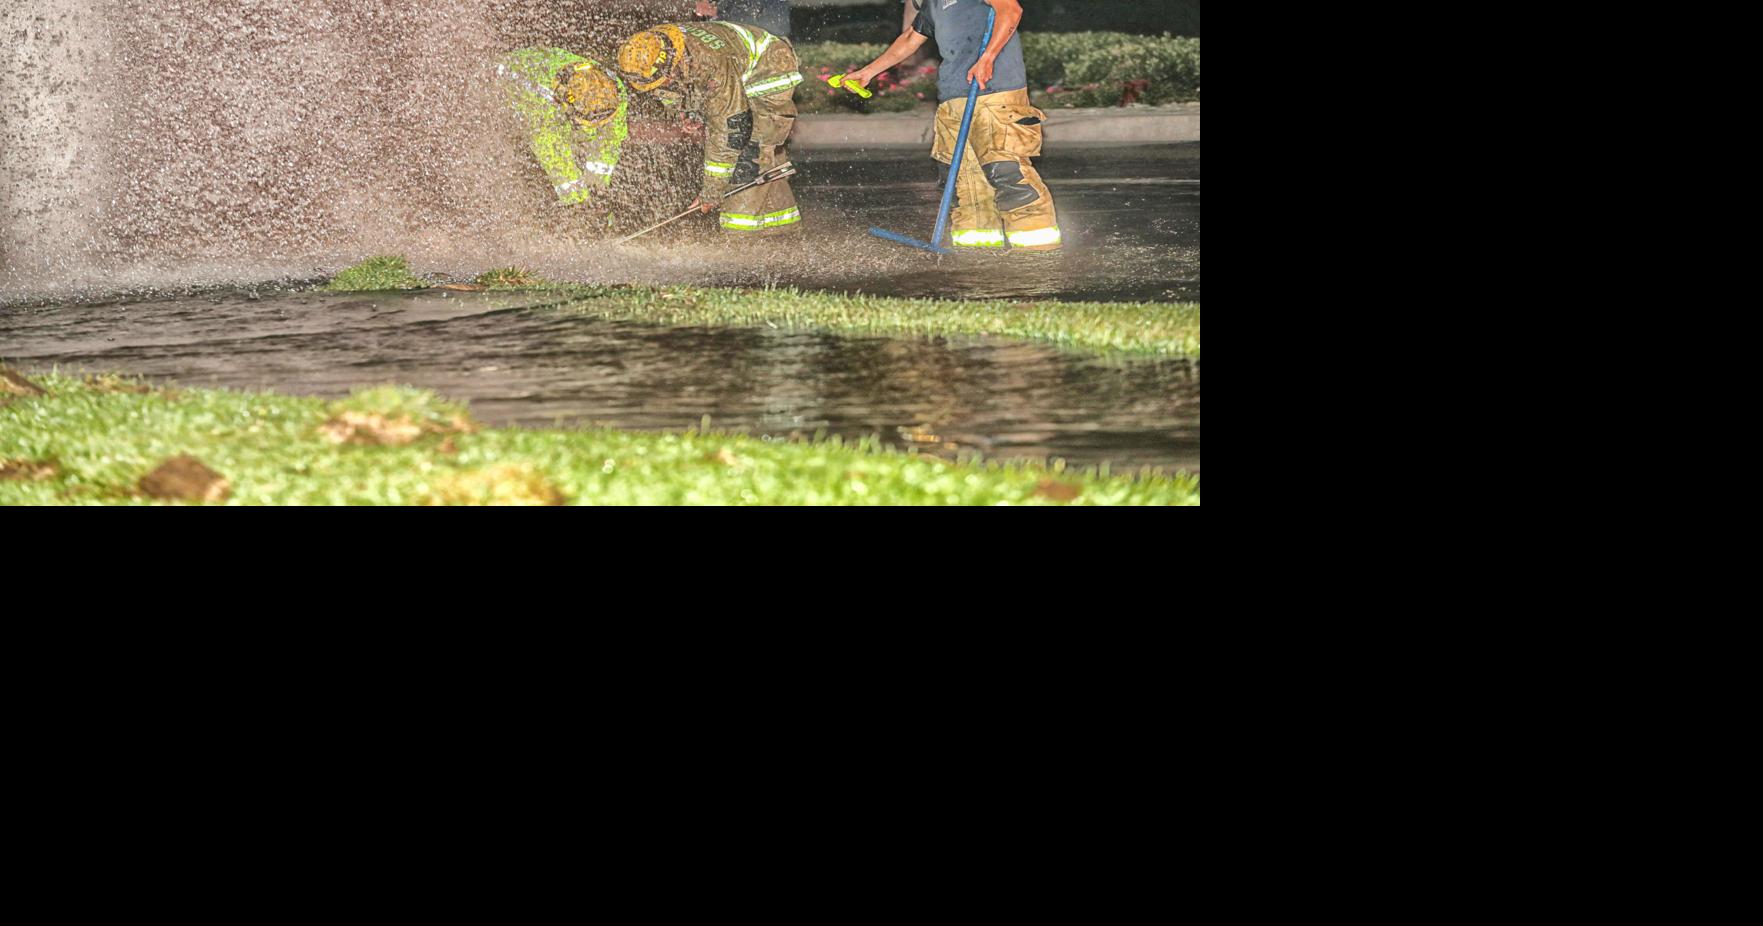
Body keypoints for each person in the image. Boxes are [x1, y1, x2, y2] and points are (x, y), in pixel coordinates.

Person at [845, 0, 1061, 251]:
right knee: (964, 186)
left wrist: (988, 57)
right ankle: (977, 260)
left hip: (995, 93)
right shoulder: (933, 4)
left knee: (1007, 174)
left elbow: (1011, 10)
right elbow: (909, 39)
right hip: (953, 100)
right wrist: (868, 72)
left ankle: (1037, 257)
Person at [615, 19, 804, 236]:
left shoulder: (712, 64)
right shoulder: (649, 48)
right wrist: (686, 112)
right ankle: (783, 228)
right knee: (763, 158)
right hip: (736, 67)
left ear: (672, 64)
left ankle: (740, 240)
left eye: (662, 80)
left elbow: (732, 127)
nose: (660, 86)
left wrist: (711, 193)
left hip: (769, 71)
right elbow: (672, 89)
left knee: (747, 158)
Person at [496, 48, 629, 208]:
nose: (597, 126)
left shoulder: (608, 87)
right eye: (590, 122)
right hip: (511, 91)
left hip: (542, 71)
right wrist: (579, 202)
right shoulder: (542, 112)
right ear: (568, 109)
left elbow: (611, 136)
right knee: (530, 161)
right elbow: (556, 159)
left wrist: (598, 185)